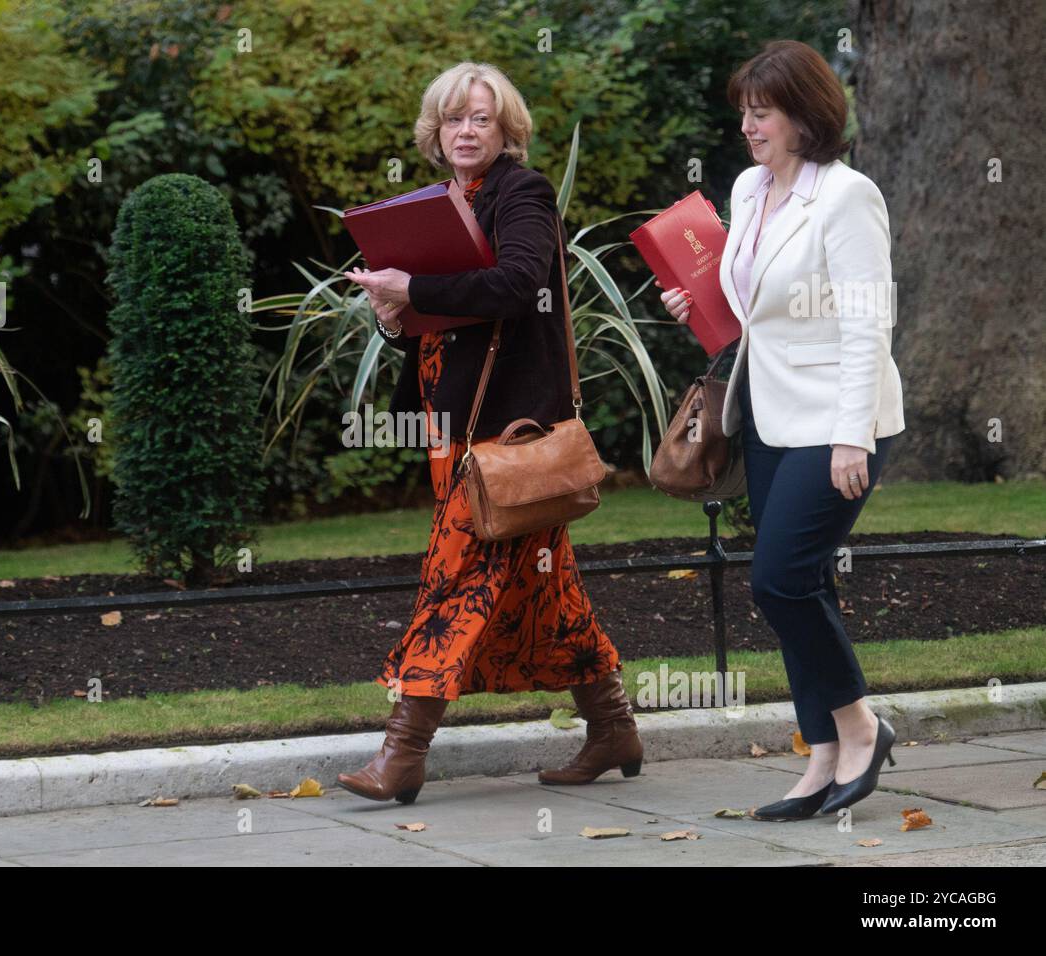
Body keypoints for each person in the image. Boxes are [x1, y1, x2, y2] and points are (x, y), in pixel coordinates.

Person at [337, 62, 642, 805]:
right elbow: (451, 318)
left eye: (480, 118)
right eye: (452, 120)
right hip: (459, 431)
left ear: (507, 129)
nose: (466, 131)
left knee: (458, 574)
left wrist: (418, 288)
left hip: (508, 432)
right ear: (434, 134)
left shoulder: (522, 192)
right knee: (549, 585)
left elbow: (518, 283)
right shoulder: (444, 201)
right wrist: (400, 313)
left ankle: (403, 754)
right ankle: (612, 728)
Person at [659, 40, 906, 820]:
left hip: (838, 416)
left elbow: (869, 324)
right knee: (801, 582)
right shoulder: (746, 188)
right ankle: (824, 755)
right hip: (766, 414)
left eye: (761, 112)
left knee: (780, 578)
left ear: (804, 116)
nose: (747, 126)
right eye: (744, 112)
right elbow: (753, 302)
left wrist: (851, 437)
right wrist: (695, 308)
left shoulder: (847, 195)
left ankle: (863, 726)